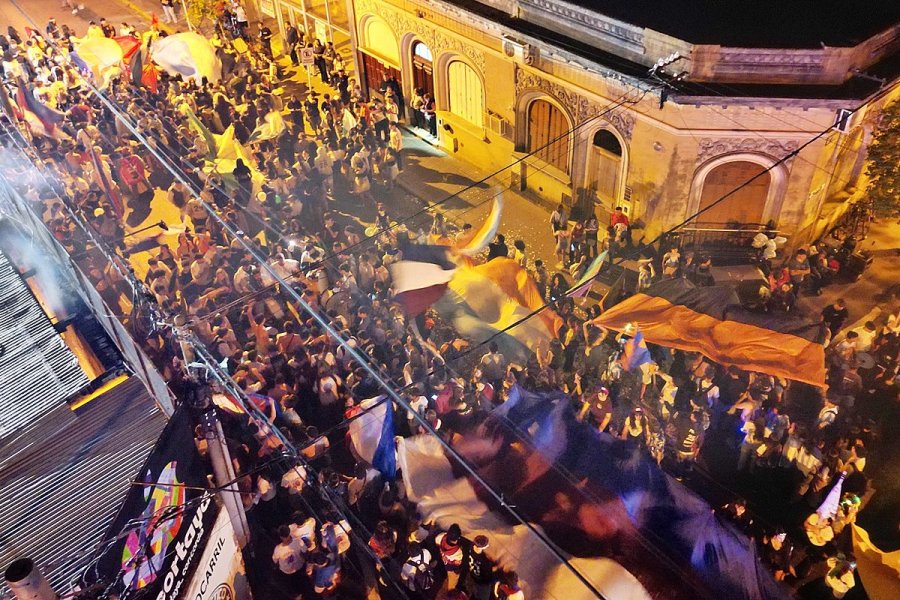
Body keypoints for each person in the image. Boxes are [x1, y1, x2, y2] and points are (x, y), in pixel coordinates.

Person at [461, 535, 495, 600]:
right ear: (482, 547)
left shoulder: (471, 547)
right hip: (482, 580)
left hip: (473, 574)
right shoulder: (484, 561)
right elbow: (488, 574)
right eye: (486, 545)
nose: (487, 545)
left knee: (476, 588)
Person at [435, 524, 465, 590]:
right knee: (453, 581)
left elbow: (438, 545)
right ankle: (451, 592)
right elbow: (457, 564)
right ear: (458, 537)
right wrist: (457, 572)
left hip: (445, 561)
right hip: (452, 568)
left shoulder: (440, 536)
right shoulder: (458, 552)